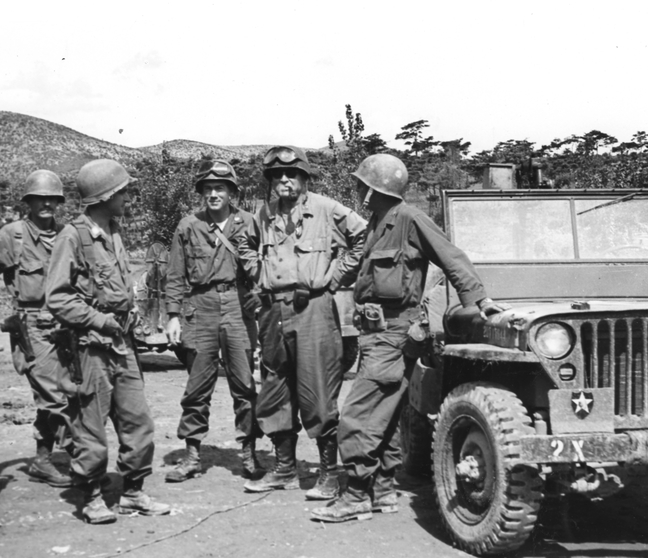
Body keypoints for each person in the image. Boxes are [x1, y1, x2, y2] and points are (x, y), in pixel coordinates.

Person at [311, 154, 509, 523]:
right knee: (385, 414)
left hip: (392, 332)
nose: (357, 191)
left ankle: (355, 495)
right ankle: (383, 492)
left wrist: (478, 299)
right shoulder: (377, 224)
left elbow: (451, 257)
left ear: (373, 190)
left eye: (361, 185)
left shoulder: (410, 219)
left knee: (359, 414)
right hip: (377, 332)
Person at [45, 159, 169, 524]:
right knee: (90, 425)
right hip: (90, 346)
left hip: (122, 342)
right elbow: (58, 297)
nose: (129, 197)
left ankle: (133, 492)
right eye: (124, 191)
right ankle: (92, 494)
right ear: (106, 195)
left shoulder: (113, 230)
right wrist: (100, 320)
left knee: (137, 420)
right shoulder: (73, 236)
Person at [240, 146, 366, 499]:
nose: (284, 180)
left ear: (304, 179)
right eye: (277, 176)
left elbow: (363, 237)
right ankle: (284, 469)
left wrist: (336, 276)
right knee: (274, 391)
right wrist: (256, 271)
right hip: (272, 311)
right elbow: (246, 246)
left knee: (318, 392)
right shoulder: (262, 214)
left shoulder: (326, 209)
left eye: (292, 174)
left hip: (313, 309)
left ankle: (328, 474)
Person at [0, 169, 72, 488]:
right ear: (29, 202)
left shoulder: (68, 234)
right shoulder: (14, 235)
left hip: (69, 325)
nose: (46, 204)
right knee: (53, 395)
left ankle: (42, 459)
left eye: (52, 199)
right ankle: (84, 456)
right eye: (40, 199)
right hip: (33, 327)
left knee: (70, 393)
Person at [164, 160, 262, 483]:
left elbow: (265, 265)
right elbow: (175, 274)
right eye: (208, 189)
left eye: (220, 188)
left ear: (232, 192)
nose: (213, 194)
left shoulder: (248, 222)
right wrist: (173, 315)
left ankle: (248, 452)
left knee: (245, 385)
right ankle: (192, 455)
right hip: (200, 307)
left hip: (238, 304)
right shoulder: (188, 225)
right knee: (197, 386)